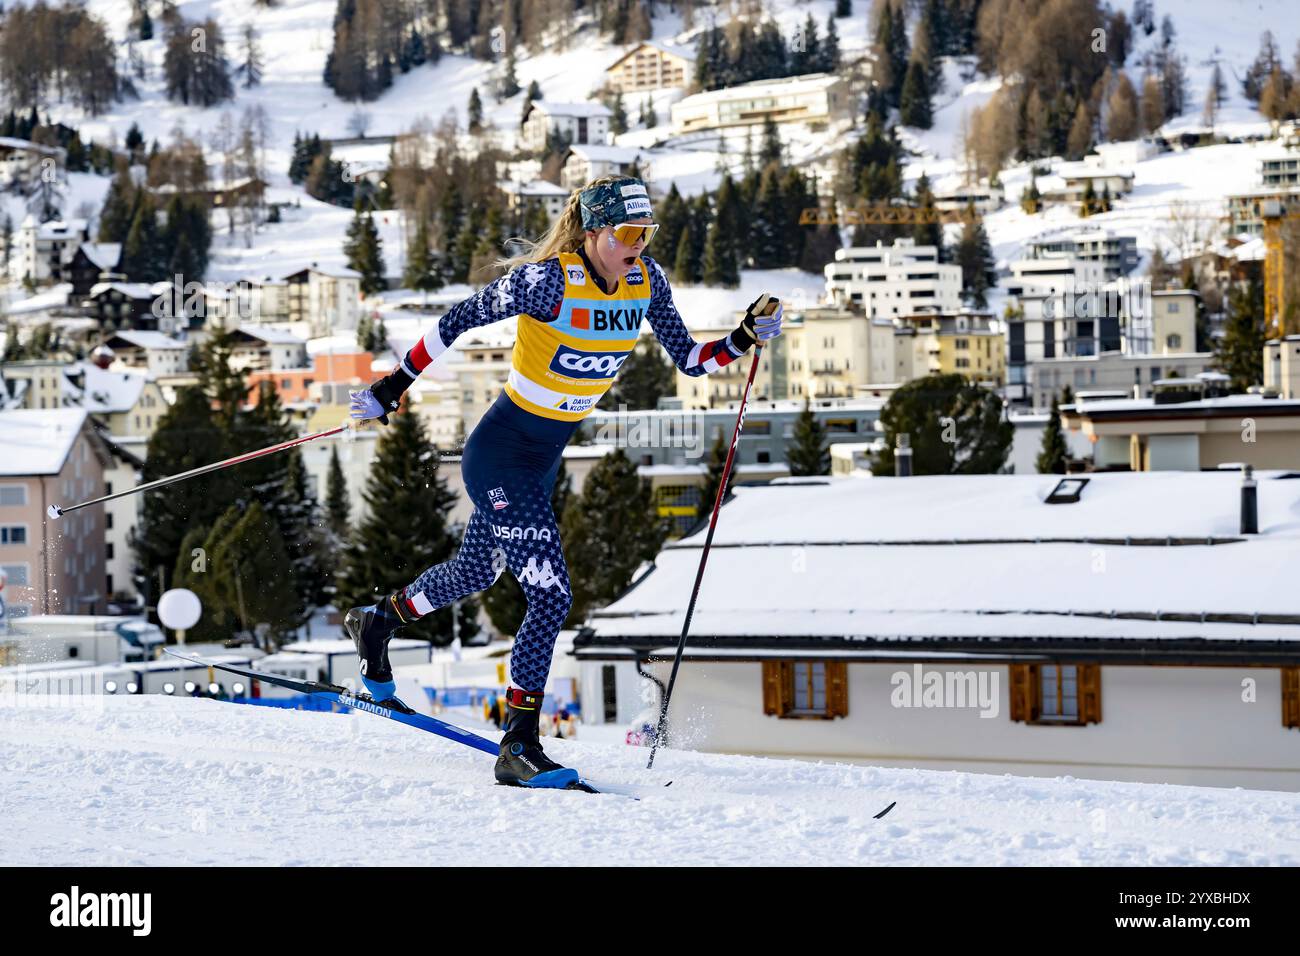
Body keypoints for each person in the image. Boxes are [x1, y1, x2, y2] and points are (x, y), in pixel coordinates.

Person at [347, 174, 782, 789]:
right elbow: (458, 319)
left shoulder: (645, 281)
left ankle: (379, 622)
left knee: (476, 573)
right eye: (628, 233)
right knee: (549, 594)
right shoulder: (548, 280)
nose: (639, 243)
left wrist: (740, 339)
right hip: (499, 454)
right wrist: (394, 385)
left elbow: (688, 359)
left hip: (543, 458)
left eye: (646, 232)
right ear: (594, 232)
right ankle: (519, 743)